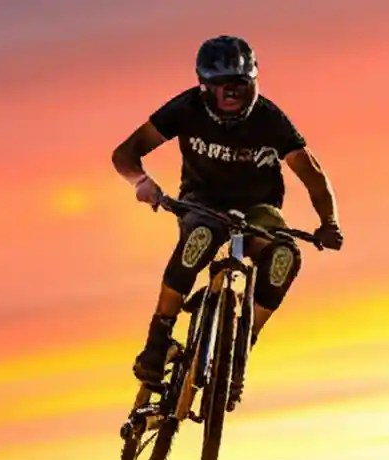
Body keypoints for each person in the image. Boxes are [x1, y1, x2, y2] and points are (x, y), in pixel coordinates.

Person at [111, 34, 343, 400]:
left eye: (239, 84)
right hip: (202, 203)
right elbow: (126, 153)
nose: (232, 94)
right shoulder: (185, 108)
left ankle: (240, 348)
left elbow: (310, 172)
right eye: (222, 86)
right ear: (204, 87)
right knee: (199, 240)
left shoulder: (270, 119)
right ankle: (157, 342)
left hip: (258, 211)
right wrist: (141, 182)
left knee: (283, 257)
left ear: (254, 81)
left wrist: (329, 223)